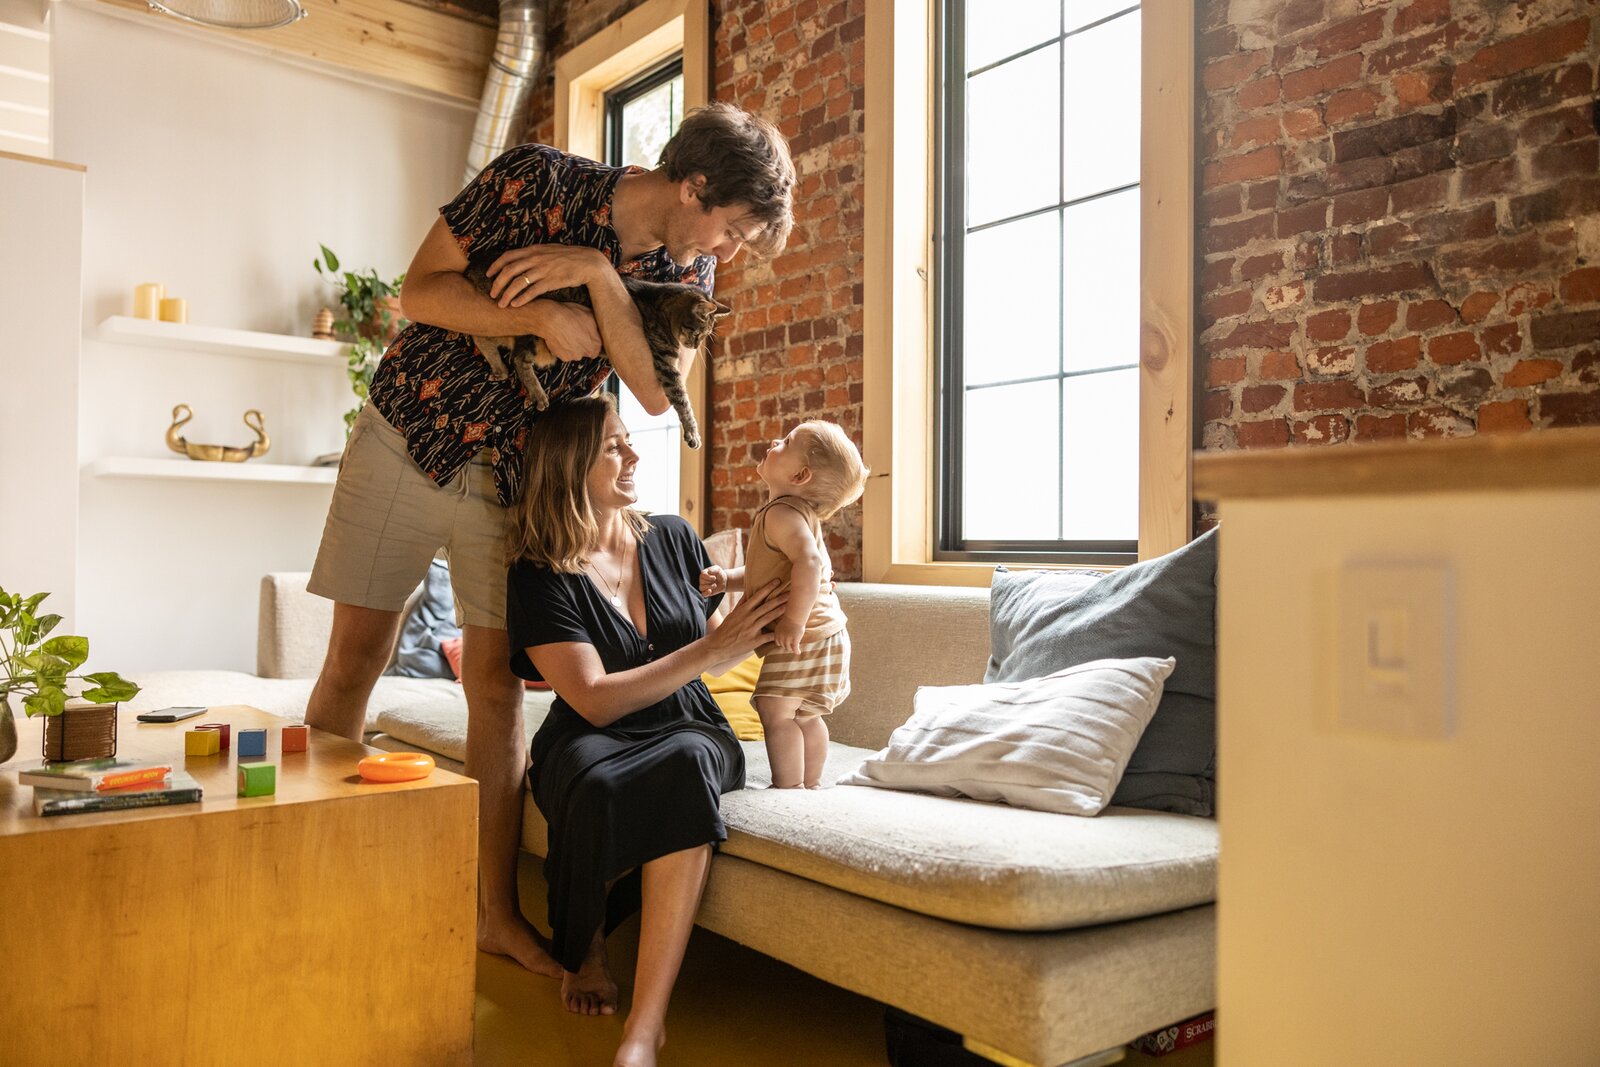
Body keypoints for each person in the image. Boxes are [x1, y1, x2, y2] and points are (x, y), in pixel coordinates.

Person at [301, 104, 795, 977]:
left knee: (494, 688)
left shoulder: (686, 270)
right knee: (354, 663)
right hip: (407, 439)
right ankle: (307, 867)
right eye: (735, 226)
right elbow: (418, 292)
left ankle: (495, 914)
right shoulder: (536, 178)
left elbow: (649, 389)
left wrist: (598, 278)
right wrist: (531, 320)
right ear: (694, 186)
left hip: (513, 481)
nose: (734, 248)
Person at [508, 396, 785, 1067]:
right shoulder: (538, 574)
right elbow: (594, 700)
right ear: (570, 463)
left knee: (689, 759)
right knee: (592, 779)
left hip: (689, 722)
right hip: (591, 729)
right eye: (614, 445)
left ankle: (645, 1023)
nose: (633, 455)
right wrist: (711, 653)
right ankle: (587, 944)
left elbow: (754, 612)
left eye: (630, 441)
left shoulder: (672, 537)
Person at [697, 421, 868, 789]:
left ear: (800, 474)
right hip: (827, 634)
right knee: (805, 716)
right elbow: (771, 571)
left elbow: (809, 563)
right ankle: (811, 782)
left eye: (787, 442)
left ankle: (788, 787)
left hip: (805, 636)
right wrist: (729, 579)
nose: (775, 441)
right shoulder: (791, 514)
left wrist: (793, 621)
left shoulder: (780, 514)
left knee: (775, 711)